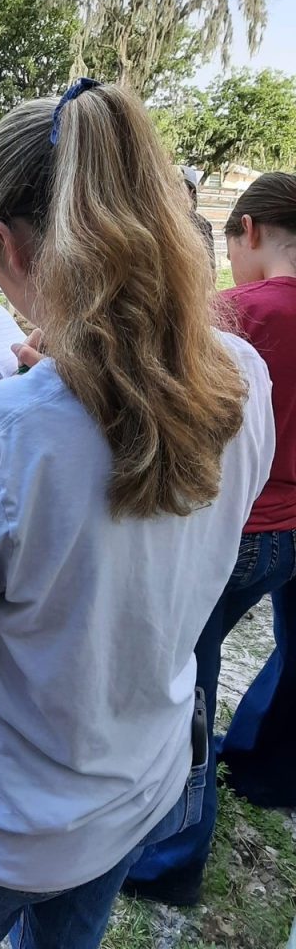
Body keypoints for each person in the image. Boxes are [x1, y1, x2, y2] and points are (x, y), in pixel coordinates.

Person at [0, 81, 275, 949]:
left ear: (4, 246)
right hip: (135, 792)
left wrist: (20, 409)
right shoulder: (247, 378)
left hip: (3, 827)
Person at [123, 171, 296, 907]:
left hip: (248, 527)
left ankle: (172, 856)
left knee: (187, 684)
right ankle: (267, 770)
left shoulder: (239, 313)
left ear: (248, 231)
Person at [179, 165, 216, 278]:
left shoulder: (200, 224)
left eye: (176, 186)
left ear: (191, 192)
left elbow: (211, 270)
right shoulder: (156, 221)